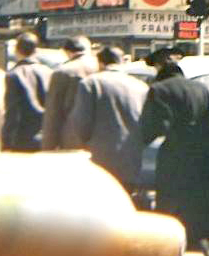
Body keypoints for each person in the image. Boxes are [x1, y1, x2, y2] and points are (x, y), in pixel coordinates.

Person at [139, 55, 209, 256]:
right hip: (203, 154)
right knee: (199, 203)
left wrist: (139, 141)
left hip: (177, 154)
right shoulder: (201, 89)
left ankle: (169, 252)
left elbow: (156, 126)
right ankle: (200, 247)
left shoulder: (159, 91)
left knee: (170, 201)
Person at [64, 45, 149, 193]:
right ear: (122, 62)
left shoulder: (91, 83)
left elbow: (81, 124)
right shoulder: (141, 86)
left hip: (99, 162)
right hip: (131, 159)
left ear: (100, 63)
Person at [41, 36, 98, 150]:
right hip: (101, 141)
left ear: (67, 52)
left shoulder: (63, 72)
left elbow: (53, 113)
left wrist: (48, 146)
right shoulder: (100, 67)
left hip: (72, 140)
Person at [2, 31, 51, 151]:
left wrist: (6, 139)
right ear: (36, 50)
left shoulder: (14, 75)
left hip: (22, 138)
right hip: (46, 135)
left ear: (17, 50)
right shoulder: (49, 72)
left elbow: (12, 111)